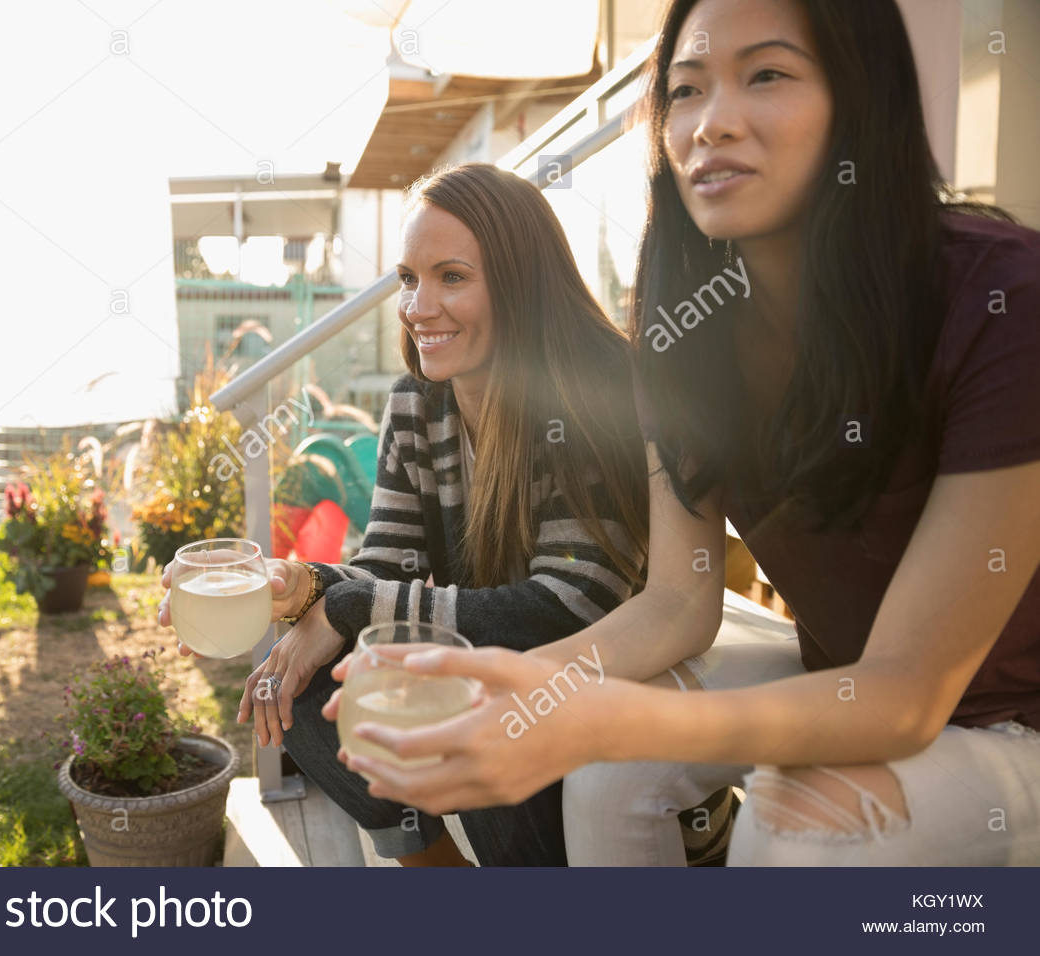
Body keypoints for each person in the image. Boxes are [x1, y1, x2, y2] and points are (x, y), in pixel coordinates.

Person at [331, 0, 1040, 866]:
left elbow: (907, 694)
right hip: (833, 669)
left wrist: (604, 714)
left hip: (1006, 719)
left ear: (862, 99)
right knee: (606, 775)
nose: (713, 124)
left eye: (767, 75)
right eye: (687, 90)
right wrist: (515, 688)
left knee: (792, 824)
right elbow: (677, 602)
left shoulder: (1002, 301)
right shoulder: (686, 326)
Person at [161, 163, 732, 866]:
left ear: (522, 284)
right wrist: (301, 586)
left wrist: (345, 608)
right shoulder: (417, 402)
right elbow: (384, 569)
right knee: (299, 689)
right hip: (499, 651)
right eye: (408, 278)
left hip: (593, 669)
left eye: (451, 277)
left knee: (477, 698)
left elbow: (568, 607)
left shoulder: (590, 398)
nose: (417, 306)